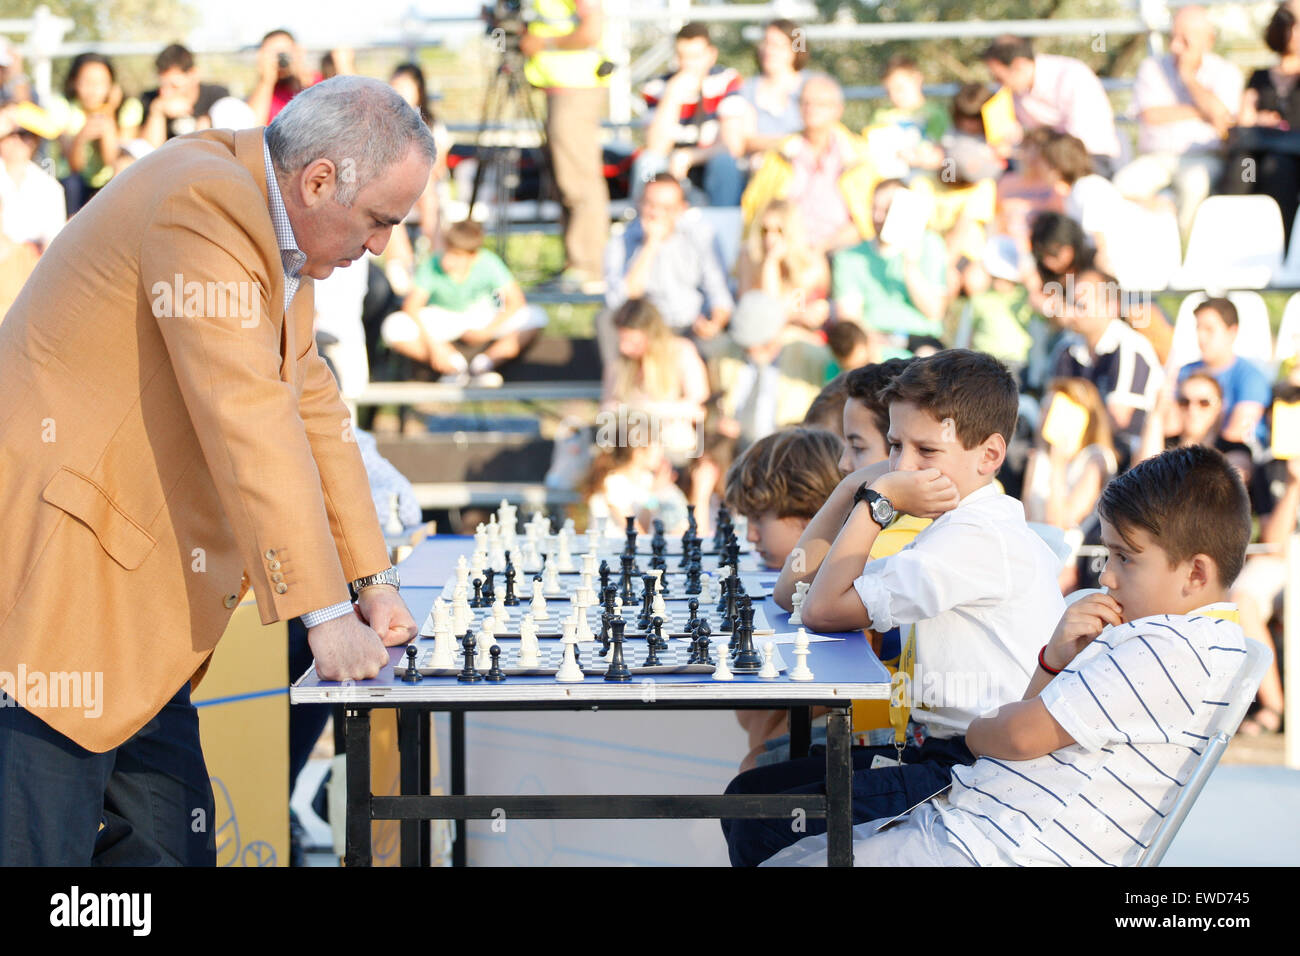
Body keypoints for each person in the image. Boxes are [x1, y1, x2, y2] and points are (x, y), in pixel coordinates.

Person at [0, 76, 435, 866]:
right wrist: (325, 617)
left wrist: (373, 580)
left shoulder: (270, 234)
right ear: (318, 181)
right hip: (54, 609)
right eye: (378, 220)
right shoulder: (206, 202)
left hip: (132, 615)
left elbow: (314, 415)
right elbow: (249, 420)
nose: (380, 246)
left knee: (169, 855)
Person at [769, 443, 1255, 867]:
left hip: (1002, 847)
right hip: (987, 826)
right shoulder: (1193, 639)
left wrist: (983, 730)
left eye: (1125, 558)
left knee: (780, 844)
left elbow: (1013, 735)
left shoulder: (1165, 648)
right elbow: (1023, 730)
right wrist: (1053, 662)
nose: (1107, 577)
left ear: (1194, 574)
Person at [724, 349, 1065, 866]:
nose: (904, 467)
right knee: (755, 795)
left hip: (973, 768)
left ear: (990, 454)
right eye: (895, 446)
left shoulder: (974, 538)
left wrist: (876, 498)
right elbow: (797, 594)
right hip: (939, 749)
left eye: (926, 450)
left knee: (758, 814)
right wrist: (853, 487)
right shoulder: (953, 528)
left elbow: (819, 609)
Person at [722, 425, 843, 768]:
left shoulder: (842, 575)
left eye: (760, 518)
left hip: (859, 728)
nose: (750, 534)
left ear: (810, 515)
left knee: (755, 767)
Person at [1113, 6, 1241, 235]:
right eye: (1173, 37)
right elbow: (1151, 115)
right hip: (1155, 157)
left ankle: (1185, 255)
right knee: (1120, 188)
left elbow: (1224, 121)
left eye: (1185, 40)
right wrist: (1202, 111)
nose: (1175, 46)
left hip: (1203, 157)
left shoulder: (1226, 72)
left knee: (1194, 187)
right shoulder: (1152, 67)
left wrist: (1188, 78)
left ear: (1207, 41)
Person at [380, 219, 547, 386]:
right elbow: (412, 307)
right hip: (442, 319)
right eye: (447, 251)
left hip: (481, 317)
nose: (448, 260)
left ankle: (484, 365)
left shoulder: (489, 262)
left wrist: (487, 331)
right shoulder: (432, 264)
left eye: (457, 255)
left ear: (473, 255)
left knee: (535, 316)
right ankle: (454, 367)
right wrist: (434, 347)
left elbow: (516, 301)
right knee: (393, 327)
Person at [519, 0, 609, 294]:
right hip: (559, 89)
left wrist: (541, 43)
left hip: (576, 88)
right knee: (565, 181)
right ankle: (576, 264)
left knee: (579, 181)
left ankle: (588, 267)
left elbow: (591, 30)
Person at [741, 74, 878, 254]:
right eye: (805, 103)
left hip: (843, 251)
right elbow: (756, 207)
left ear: (838, 109)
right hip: (787, 252)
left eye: (819, 104)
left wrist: (823, 249)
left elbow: (867, 219)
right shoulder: (778, 154)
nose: (811, 109)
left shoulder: (859, 155)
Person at [602, 172, 733, 354]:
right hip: (644, 328)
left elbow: (719, 293)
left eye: (666, 208)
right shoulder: (621, 241)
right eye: (651, 205)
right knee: (605, 321)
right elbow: (619, 301)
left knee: (717, 345)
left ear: (681, 209)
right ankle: (617, 382)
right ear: (640, 203)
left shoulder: (701, 236)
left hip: (691, 325)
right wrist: (651, 244)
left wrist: (714, 323)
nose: (656, 213)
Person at [1049, 263, 1164, 460]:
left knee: (1095, 459)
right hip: (1076, 444)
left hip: (1124, 453)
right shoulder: (1067, 348)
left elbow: (1118, 421)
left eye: (1081, 305)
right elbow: (1053, 407)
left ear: (1111, 307)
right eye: (1071, 303)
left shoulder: (1131, 347)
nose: (1072, 313)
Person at [830, 178, 948, 350]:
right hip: (872, 343)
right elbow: (849, 320)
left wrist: (910, 265)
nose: (877, 217)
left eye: (886, 210)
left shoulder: (931, 245)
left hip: (921, 342)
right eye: (874, 208)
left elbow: (934, 311)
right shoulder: (849, 257)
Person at [634, 22, 743, 206]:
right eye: (682, 57)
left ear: (711, 55)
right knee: (648, 165)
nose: (687, 64)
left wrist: (690, 156)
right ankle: (644, 223)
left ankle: (725, 225)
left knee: (726, 164)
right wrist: (672, 95)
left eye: (695, 57)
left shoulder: (726, 81)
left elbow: (732, 144)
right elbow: (655, 146)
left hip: (708, 160)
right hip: (669, 167)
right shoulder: (657, 87)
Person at [981, 34, 1122, 176]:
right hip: (1049, 163)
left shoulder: (1072, 77)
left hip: (1089, 160)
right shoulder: (1016, 92)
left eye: (999, 77)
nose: (997, 84)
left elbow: (1075, 143)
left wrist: (1021, 151)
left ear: (1019, 65)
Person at [1222, 3, 1300, 246]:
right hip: (1258, 150)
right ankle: (1231, 242)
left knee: (1277, 170)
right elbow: (1244, 118)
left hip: (1289, 157)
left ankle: (1280, 249)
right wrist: (1259, 119)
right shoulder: (1260, 76)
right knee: (1242, 167)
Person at [711, 290, 830, 448]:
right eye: (747, 346)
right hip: (735, 450)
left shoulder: (809, 354)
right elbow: (711, 404)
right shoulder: (725, 354)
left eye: (763, 344)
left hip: (789, 449)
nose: (754, 351)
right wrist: (717, 422)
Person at [601, 297, 709, 461]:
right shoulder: (619, 363)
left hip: (670, 441)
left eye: (631, 340)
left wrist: (649, 410)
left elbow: (698, 408)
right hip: (630, 443)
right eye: (622, 339)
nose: (624, 347)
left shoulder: (681, 352)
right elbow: (606, 407)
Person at [717, 19, 809, 192]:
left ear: (795, 48)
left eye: (777, 45)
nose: (769, 50)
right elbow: (741, 141)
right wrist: (786, 143)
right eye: (766, 43)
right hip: (756, 171)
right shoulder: (746, 89)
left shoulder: (812, 86)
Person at [1021, 376, 1118, 533]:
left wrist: (1058, 463)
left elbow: (1058, 524)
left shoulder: (1096, 459)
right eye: (1044, 410)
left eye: (1053, 411)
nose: (1045, 418)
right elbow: (1025, 521)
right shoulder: (1040, 457)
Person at [52, 53, 142, 214]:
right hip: (77, 185)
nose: (93, 90)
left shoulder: (128, 107)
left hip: (111, 182)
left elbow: (113, 159)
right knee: (73, 183)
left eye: (100, 83)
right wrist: (81, 137)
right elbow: (74, 165)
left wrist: (109, 113)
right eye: (87, 82)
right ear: (74, 82)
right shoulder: (63, 106)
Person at [1177, 296, 1273, 445]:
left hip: (1233, 454)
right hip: (1187, 449)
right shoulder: (1184, 372)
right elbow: (1170, 425)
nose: (1200, 336)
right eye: (1198, 328)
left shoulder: (1251, 377)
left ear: (1232, 332)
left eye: (1209, 329)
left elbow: (1236, 434)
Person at [735, 197, 830, 332]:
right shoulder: (749, 256)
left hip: (798, 335)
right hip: (759, 334)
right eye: (765, 230)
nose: (770, 238)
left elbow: (781, 310)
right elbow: (754, 310)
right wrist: (770, 262)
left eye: (778, 231)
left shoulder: (811, 263)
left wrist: (771, 262)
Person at [863, 54, 948, 180]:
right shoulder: (880, 116)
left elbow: (945, 158)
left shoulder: (936, 114)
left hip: (926, 182)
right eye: (888, 91)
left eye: (899, 88)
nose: (894, 96)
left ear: (917, 79)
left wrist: (919, 159)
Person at [0, 105, 65, 253]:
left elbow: (52, 245)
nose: (16, 140)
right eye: (10, 134)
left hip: (30, 266)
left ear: (35, 140)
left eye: (25, 134)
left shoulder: (50, 188)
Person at [139, 44, 230, 148]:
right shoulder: (150, 99)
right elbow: (147, 153)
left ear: (193, 75)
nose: (165, 92)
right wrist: (157, 112)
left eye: (174, 86)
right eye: (162, 85)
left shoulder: (217, 96)